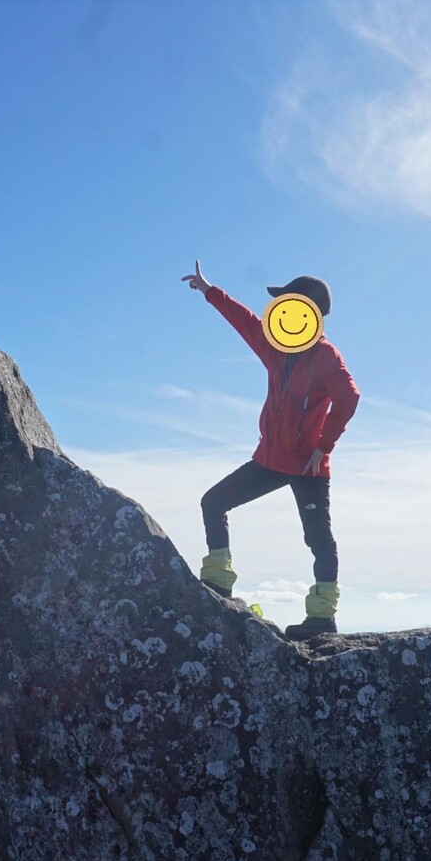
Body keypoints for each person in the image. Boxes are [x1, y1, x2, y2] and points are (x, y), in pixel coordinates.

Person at [181, 260, 360, 638]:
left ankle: (322, 619)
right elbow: (244, 320)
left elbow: (349, 398)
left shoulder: (326, 357)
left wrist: (323, 446)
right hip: (270, 461)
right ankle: (218, 584)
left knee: (318, 540)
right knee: (213, 502)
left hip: (309, 466)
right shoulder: (276, 348)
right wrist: (209, 290)